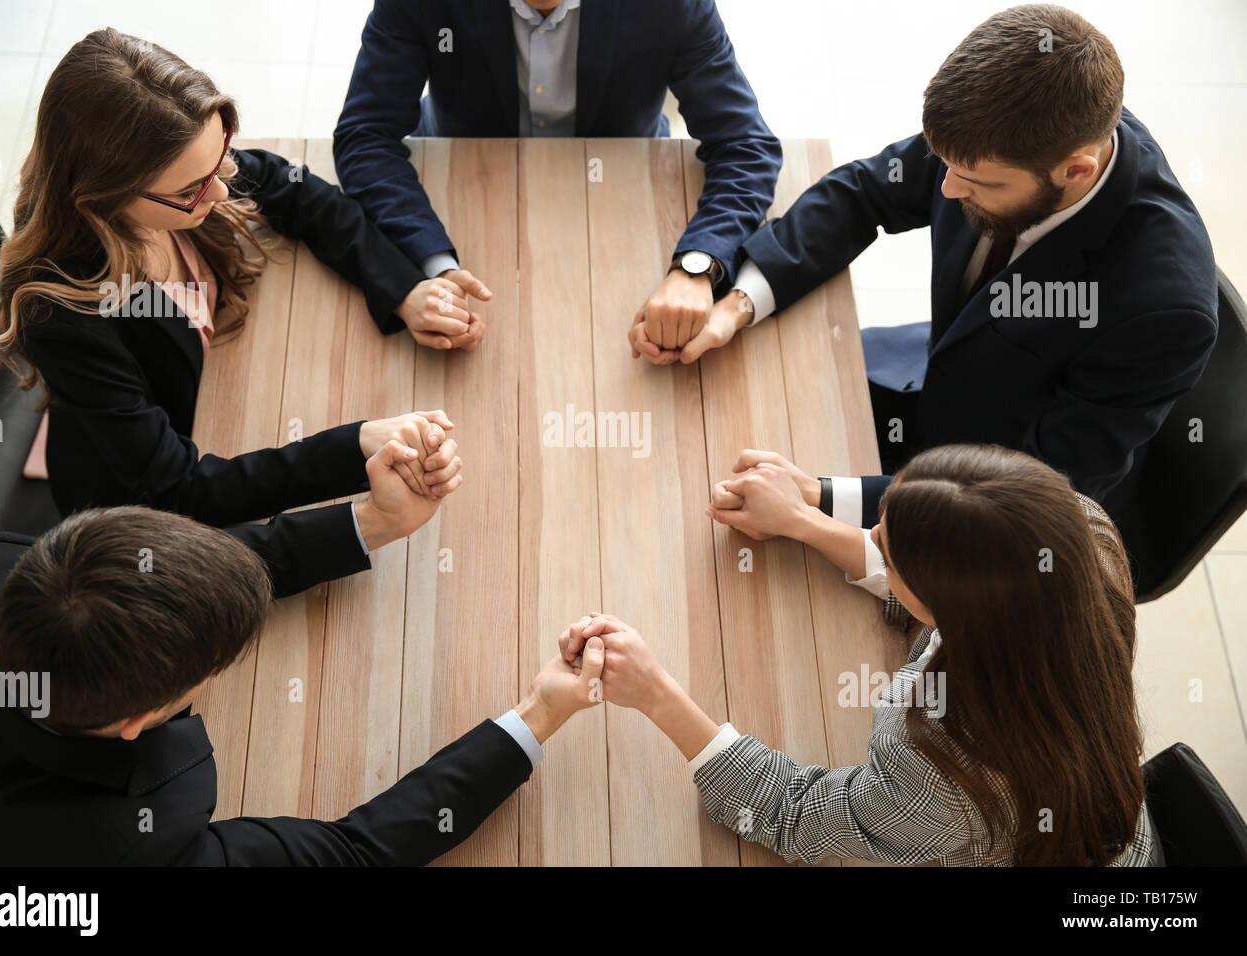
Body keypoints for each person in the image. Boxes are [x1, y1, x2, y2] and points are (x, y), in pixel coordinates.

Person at [677, 4, 1217, 517]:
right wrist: (739, 303)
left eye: (977, 182)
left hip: (990, 502)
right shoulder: (1013, 131)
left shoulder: (1163, 311)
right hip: (932, 374)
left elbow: (1037, 489)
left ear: (1076, 171)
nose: (948, 188)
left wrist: (820, 497)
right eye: (945, 164)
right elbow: (866, 191)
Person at [0, 28, 469, 563]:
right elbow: (179, 489)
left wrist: (403, 288)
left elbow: (293, 186)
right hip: (140, 501)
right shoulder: (62, 314)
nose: (221, 190)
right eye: (192, 189)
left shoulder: (187, 171)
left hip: (217, 401)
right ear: (104, 193)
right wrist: (355, 445)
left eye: (223, 156)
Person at [563, 444, 1159, 866]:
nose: (868, 537)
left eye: (887, 553)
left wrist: (656, 694)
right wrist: (804, 515)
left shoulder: (945, 774)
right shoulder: (1082, 534)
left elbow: (800, 819)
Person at [0, 503, 605, 865]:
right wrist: (537, 715)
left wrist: (367, 519)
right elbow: (353, 855)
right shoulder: (134, 851)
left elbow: (157, 574)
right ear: (133, 721)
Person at [332, 0, 782, 358]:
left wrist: (697, 265)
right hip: (458, 195)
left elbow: (746, 144)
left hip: (620, 194)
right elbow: (365, 135)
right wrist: (431, 264)